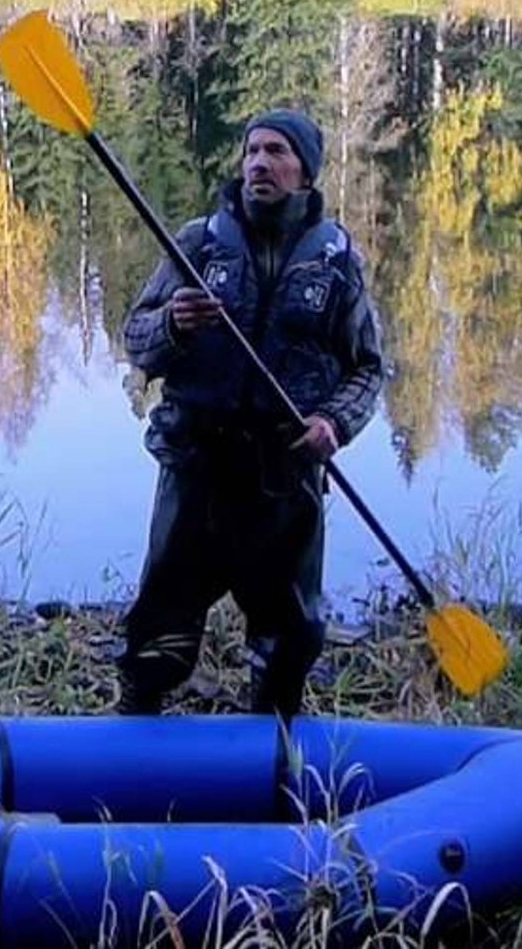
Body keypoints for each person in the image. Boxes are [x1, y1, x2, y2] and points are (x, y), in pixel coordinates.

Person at [116, 108, 385, 719]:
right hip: (198, 469)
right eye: (252, 152)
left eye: (277, 153)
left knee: (288, 638)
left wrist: (334, 424)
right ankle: (131, 742)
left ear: (306, 173)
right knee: (160, 627)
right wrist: (173, 326)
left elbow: (367, 368)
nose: (260, 163)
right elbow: (136, 337)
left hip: (284, 478)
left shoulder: (337, 263)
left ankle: (274, 766)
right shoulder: (197, 244)